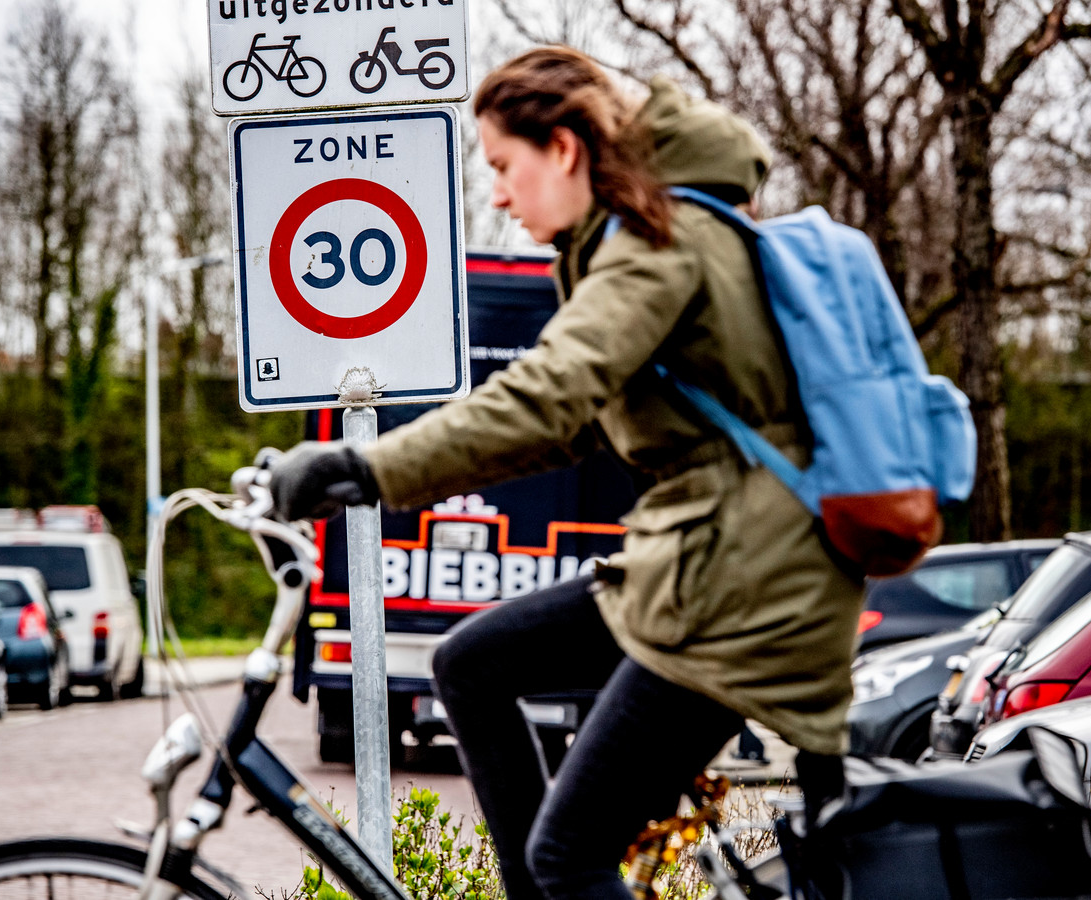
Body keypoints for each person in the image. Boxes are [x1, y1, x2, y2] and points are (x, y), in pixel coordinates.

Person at [269, 46, 865, 900]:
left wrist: (365, 466)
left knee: (569, 858)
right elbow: (573, 424)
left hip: (740, 589)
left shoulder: (658, 241)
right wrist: (389, 473)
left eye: (506, 166)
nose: (501, 193)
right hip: (705, 563)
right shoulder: (646, 236)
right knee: (471, 665)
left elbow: (546, 395)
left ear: (566, 150)